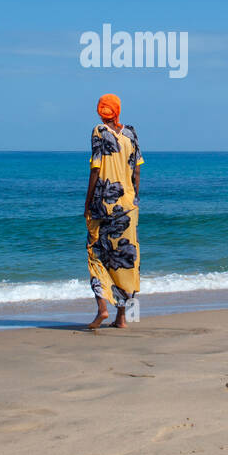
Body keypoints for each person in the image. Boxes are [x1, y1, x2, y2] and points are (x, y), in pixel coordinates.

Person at [84, 93, 142, 329]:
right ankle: (121, 318)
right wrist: (133, 197)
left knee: (96, 254)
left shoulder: (99, 131)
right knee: (125, 260)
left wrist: (87, 201)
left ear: (101, 111)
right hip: (128, 206)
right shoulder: (131, 133)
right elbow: (137, 172)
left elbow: (96, 169)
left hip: (103, 204)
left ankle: (102, 309)